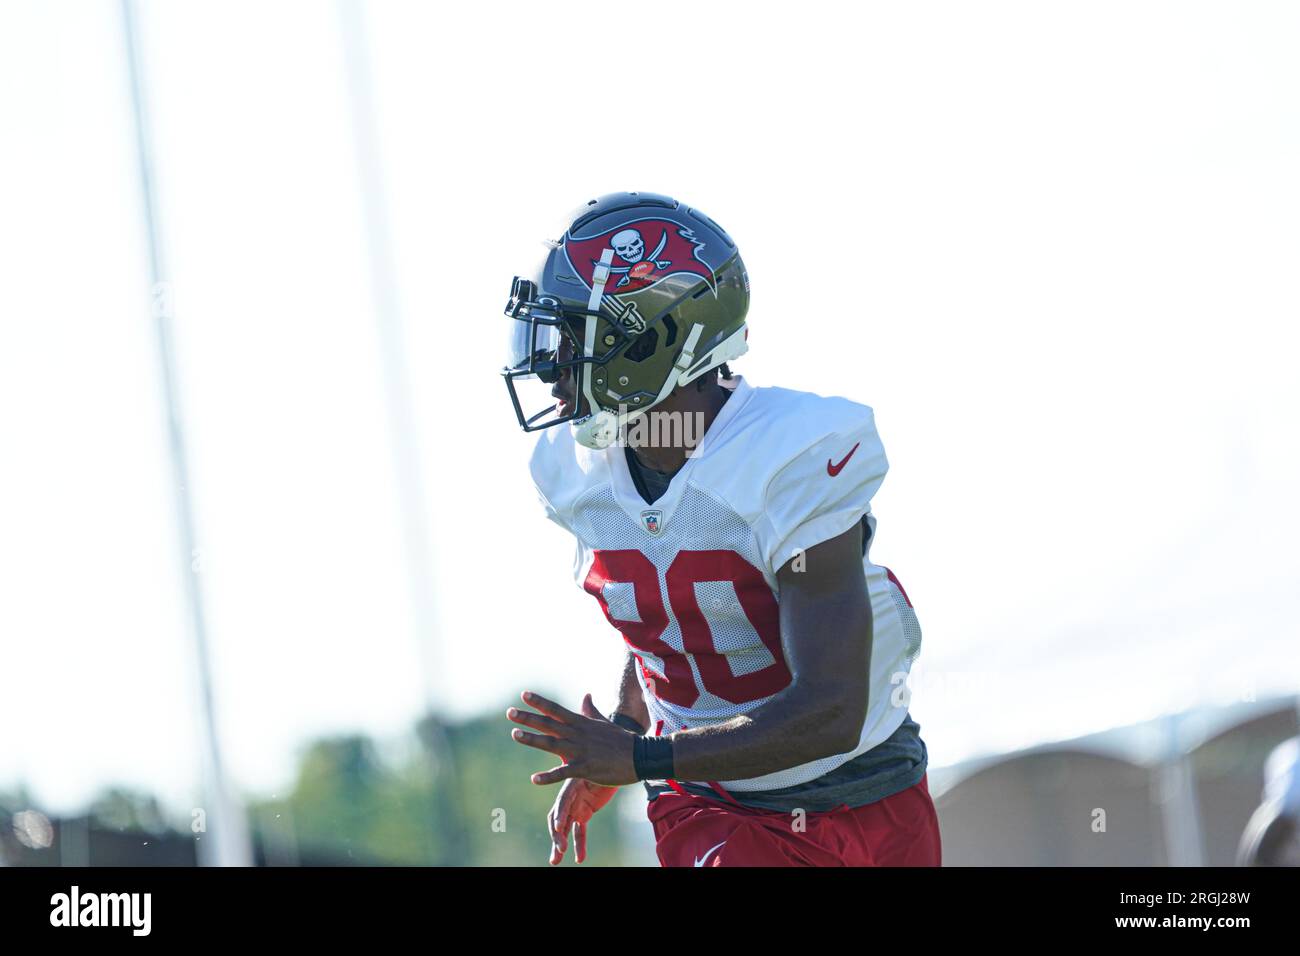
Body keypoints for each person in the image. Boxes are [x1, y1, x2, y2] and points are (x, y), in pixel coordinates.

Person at [500, 192, 940, 867]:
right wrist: (626, 727)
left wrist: (639, 755)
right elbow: (671, 620)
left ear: (650, 340)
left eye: (571, 339)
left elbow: (831, 708)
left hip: (873, 789)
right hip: (713, 804)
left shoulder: (783, 456)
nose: (550, 368)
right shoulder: (576, 471)